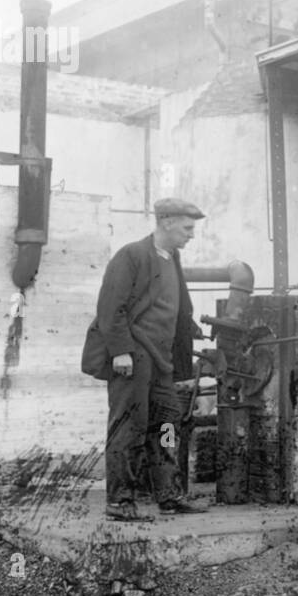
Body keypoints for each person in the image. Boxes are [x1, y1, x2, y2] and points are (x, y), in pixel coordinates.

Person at [81, 198, 209, 521]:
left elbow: (175, 307)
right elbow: (111, 306)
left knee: (167, 425)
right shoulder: (132, 255)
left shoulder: (172, 258)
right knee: (129, 428)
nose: (191, 235)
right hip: (134, 356)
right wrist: (120, 350)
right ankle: (120, 501)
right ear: (166, 222)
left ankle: (169, 495)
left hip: (161, 362)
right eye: (187, 228)